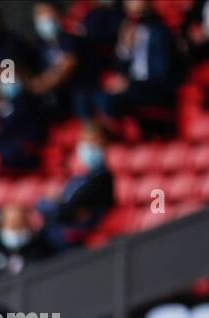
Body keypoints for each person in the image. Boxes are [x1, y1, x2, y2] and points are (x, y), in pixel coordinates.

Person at [102, 0, 181, 135]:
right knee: (101, 96)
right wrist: (124, 48)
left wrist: (130, 83)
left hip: (155, 87)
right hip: (133, 85)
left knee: (112, 99)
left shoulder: (160, 31)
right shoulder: (126, 30)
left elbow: (163, 72)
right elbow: (119, 68)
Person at [38, 121, 114, 252]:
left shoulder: (103, 179)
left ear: (105, 144)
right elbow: (42, 205)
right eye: (84, 141)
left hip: (80, 243)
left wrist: (58, 205)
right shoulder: (77, 179)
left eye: (93, 141)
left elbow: (68, 209)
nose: (88, 147)